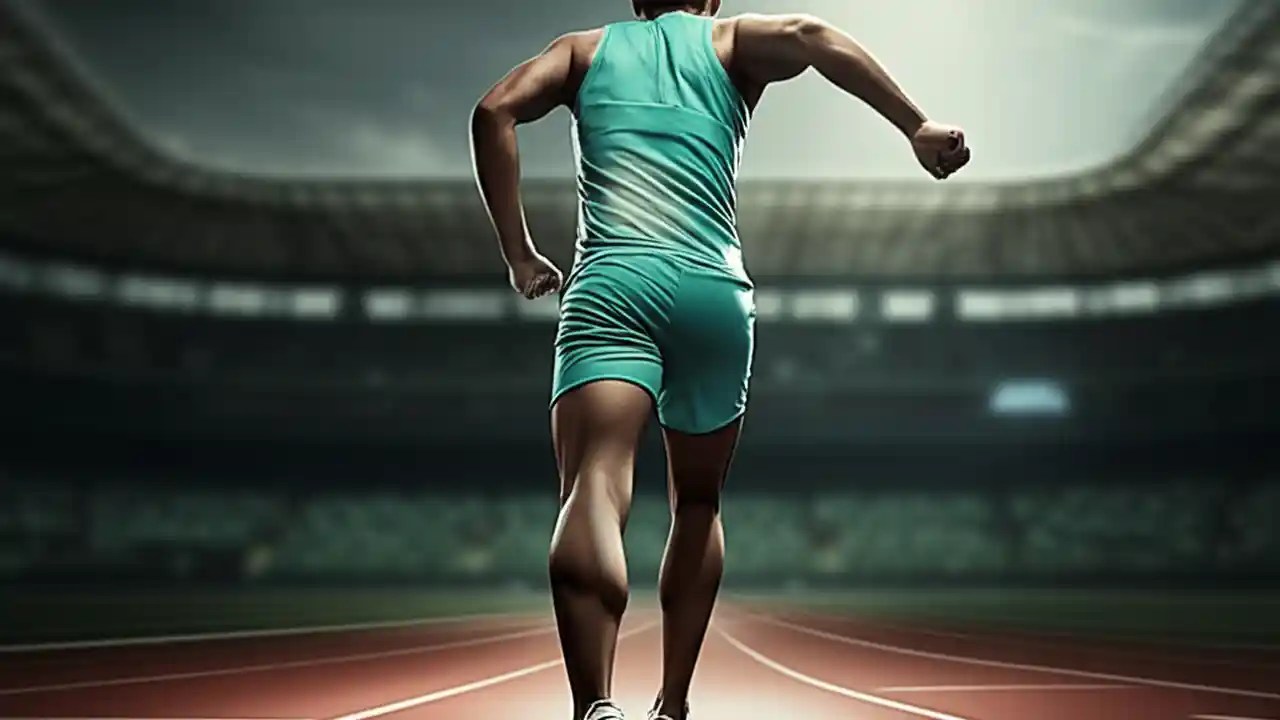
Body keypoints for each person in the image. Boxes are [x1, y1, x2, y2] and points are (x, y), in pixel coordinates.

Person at [470, 2, 971, 718]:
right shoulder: (731, 41)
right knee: (698, 502)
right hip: (714, 292)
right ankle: (673, 705)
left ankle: (596, 708)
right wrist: (914, 125)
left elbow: (493, 112)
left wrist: (519, 255)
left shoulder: (583, 51)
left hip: (615, 281)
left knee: (595, 483)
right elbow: (813, 36)